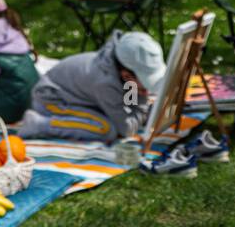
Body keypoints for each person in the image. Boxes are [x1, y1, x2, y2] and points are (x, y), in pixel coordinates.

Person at [20, 31, 164, 143]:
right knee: (106, 129)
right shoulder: (105, 83)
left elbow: (131, 107)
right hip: (51, 101)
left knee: (116, 119)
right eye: (145, 81)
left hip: (77, 96)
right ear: (126, 76)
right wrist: (142, 102)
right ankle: (39, 124)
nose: (148, 89)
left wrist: (137, 107)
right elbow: (126, 129)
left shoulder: (121, 72)